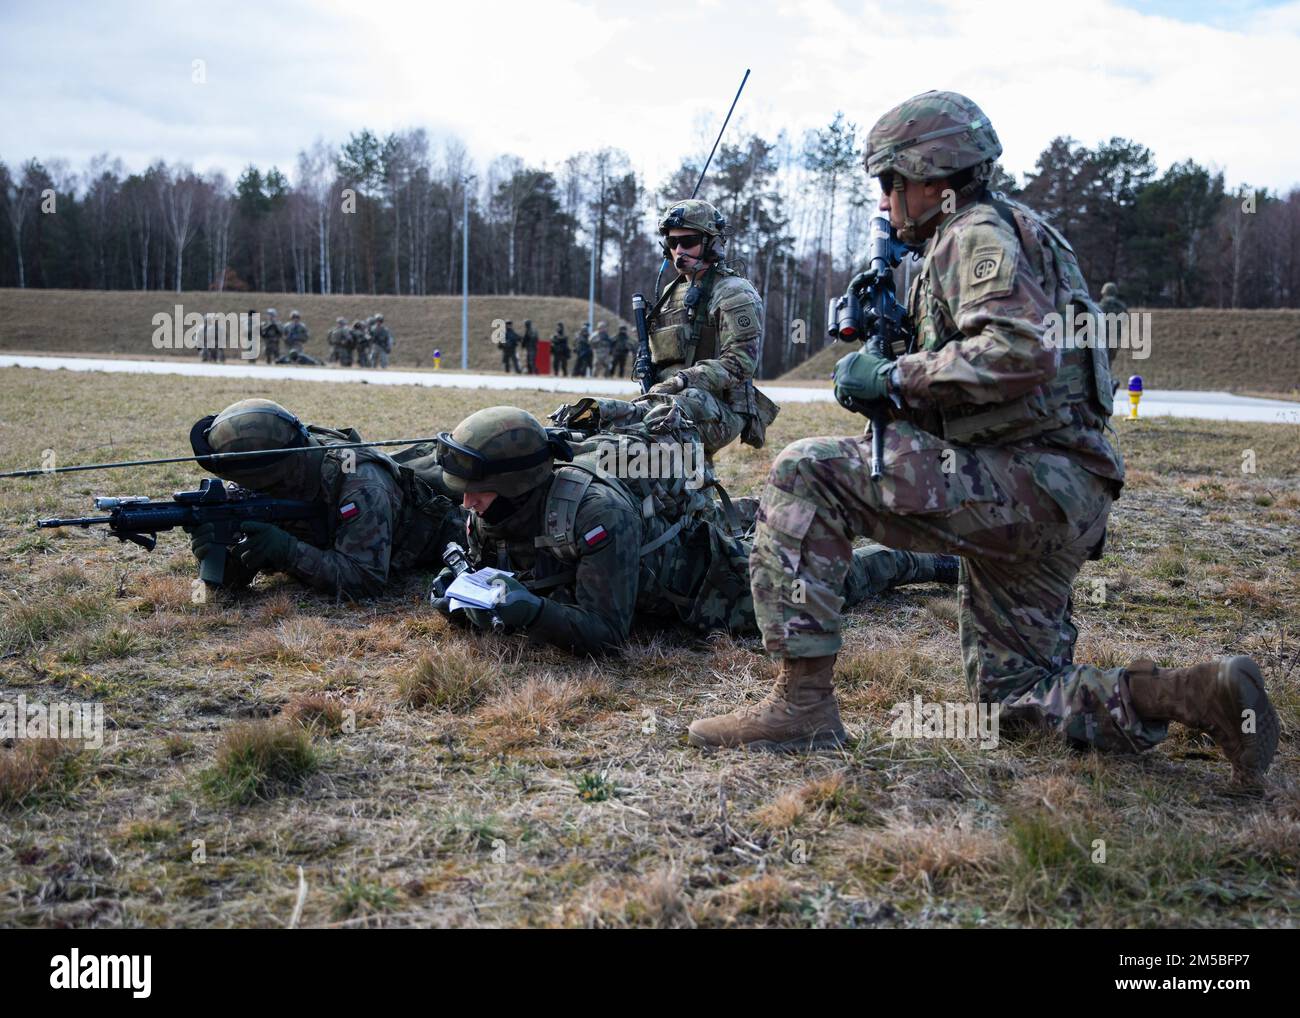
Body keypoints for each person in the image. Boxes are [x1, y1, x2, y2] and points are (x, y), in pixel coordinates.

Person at [687, 90, 1279, 789]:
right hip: (1061, 495)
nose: (885, 201)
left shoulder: (974, 235)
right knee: (1014, 696)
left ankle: (802, 705)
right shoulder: (1021, 232)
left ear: (934, 178)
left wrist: (892, 377)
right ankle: (1194, 694)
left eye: (892, 183)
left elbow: (1016, 353)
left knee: (803, 472)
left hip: (1024, 483)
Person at [428, 406, 957, 656]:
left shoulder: (594, 515)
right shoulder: (490, 507)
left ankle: (925, 558)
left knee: (818, 586)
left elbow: (608, 635)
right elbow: (498, 576)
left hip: (709, 584)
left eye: (478, 490)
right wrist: (459, 595)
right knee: (751, 519)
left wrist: (534, 613)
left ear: (519, 482)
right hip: (652, 553)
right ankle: (766, 513)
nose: (467, 503)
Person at [183, 399, 461, 600]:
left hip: (444, 534)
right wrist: (222, 554)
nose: (242, 488)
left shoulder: (360, 483)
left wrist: (287, 551)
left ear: (278, 479)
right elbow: (240, 574)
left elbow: (366, 580)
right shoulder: (282, 469)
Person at [639, 199, 778, 456]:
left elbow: (740, 363)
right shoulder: (672, 292)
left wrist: (681, 380)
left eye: (688, 241)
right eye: (672, 243)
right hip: (675, 399)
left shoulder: (733, 292)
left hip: (719, 406)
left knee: (656, 432)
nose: (679, 250)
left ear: (711, 242)